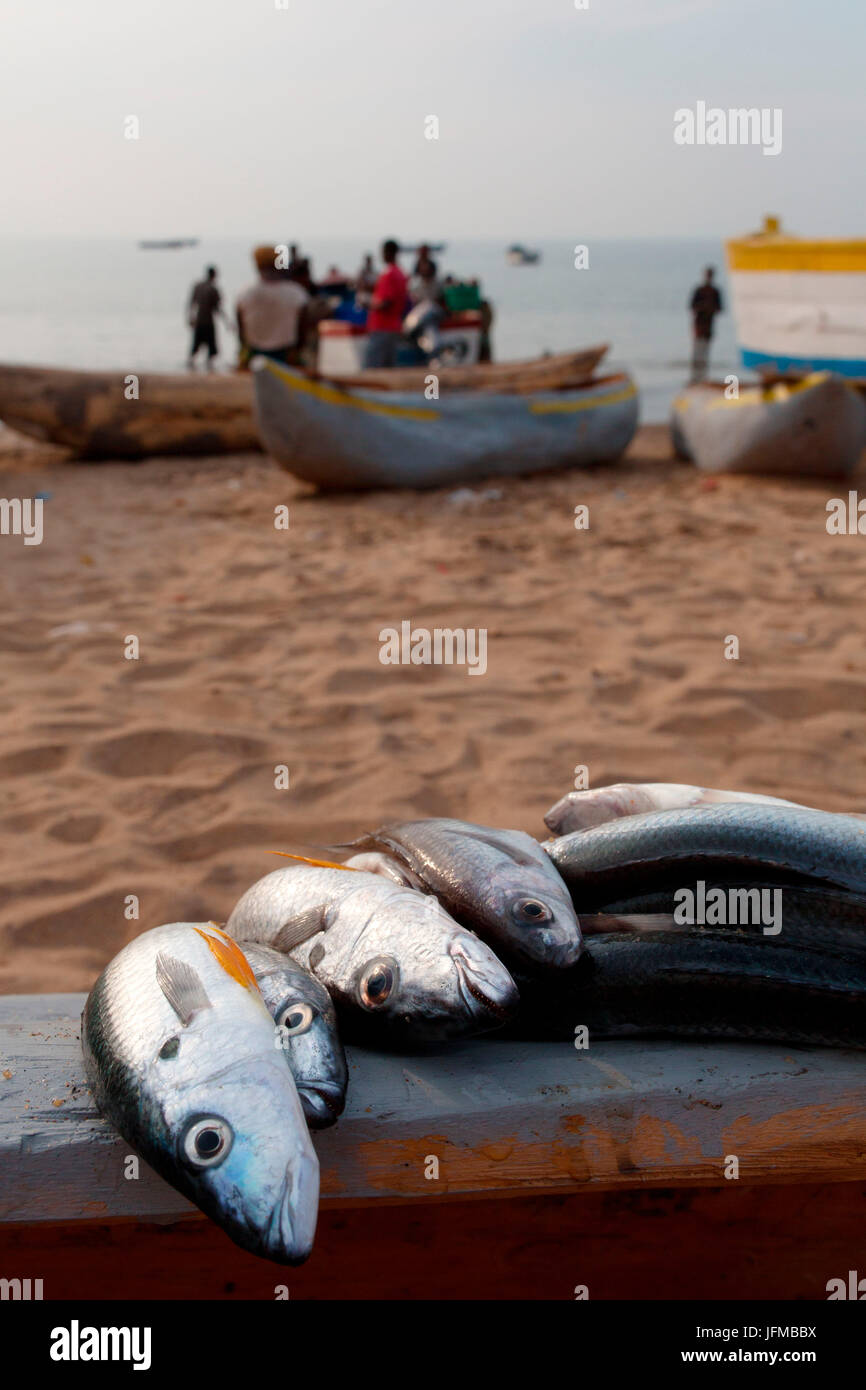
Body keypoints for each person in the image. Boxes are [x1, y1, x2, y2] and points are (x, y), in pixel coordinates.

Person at [235, 245, 310, 367]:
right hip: (287, 355)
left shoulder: (244, 294)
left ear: (257, 266)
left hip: (254, 354)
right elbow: (302, 332)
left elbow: (241, 331)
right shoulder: (297, 293)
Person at [364, 239, 409, 368]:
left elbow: (387, 302)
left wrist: (368, 305)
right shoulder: (400, 273)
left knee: (373, 368)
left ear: (388, 253)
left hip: (382, 327)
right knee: (388, 368)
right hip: (394, 326)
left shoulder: (389, 274)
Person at [689, 267, 723, 381]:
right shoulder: (699, 290)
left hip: (708, 325)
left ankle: (702, 376)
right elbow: (692, 306)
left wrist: (710, 309)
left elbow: (719, 308)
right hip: (699, 324)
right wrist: (704, 307)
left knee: (705, 351)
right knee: (697, 350)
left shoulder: (715, 291)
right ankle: (695, 376)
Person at [187, 266, 224, 370]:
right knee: (211, 349)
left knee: (195, 347)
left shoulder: (198, 286)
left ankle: (191, 366)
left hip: (199, 320)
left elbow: (191, 303)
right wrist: (227, 322)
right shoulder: (213, 289)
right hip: (208, 322)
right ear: (214, 275)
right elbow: (218, 308)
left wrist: (190, 317)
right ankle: (209, 367)